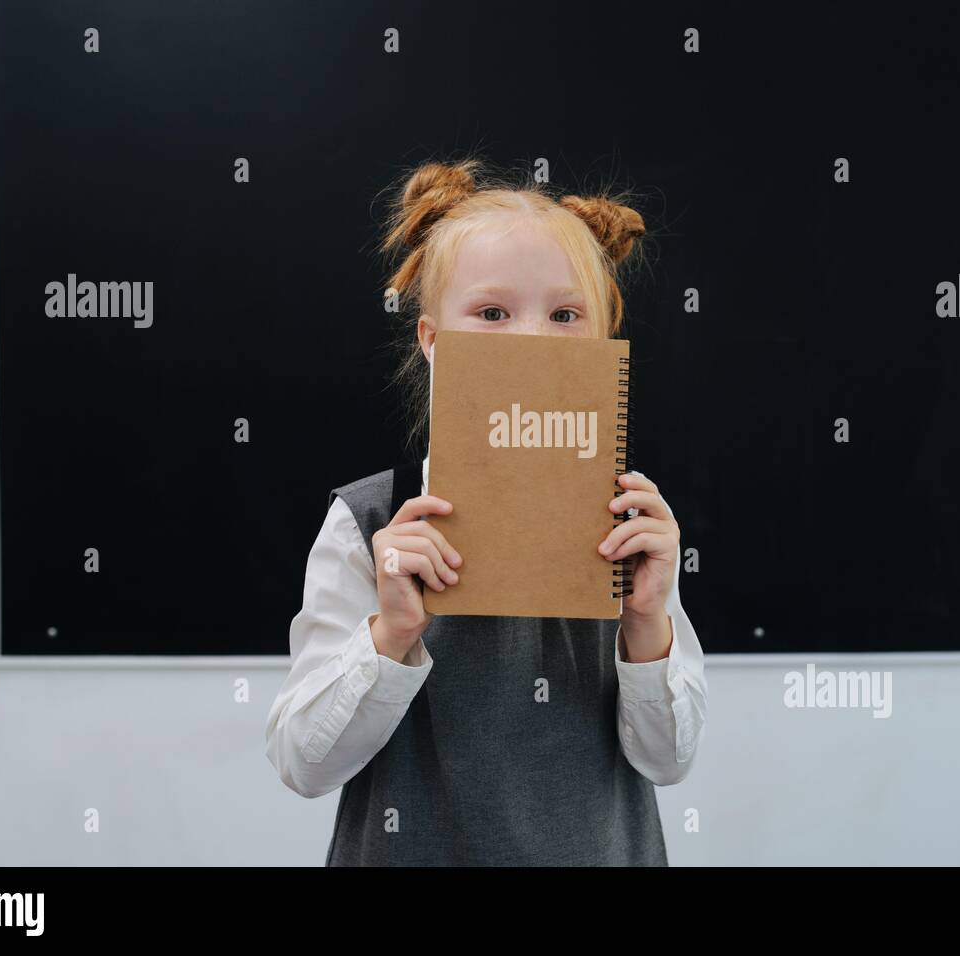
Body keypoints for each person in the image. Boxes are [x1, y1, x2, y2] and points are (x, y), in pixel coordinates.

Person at [264, 157, 708, 865]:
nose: (531, 340)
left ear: (602, 344)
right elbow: (302, 762)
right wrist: (389, 636)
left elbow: (670, 760)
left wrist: (647, 624)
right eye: (493, 313)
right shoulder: (372, 522)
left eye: (565, 316)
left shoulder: (629, 522)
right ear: (433, 342)